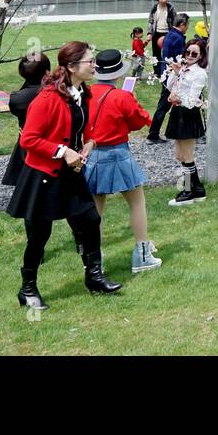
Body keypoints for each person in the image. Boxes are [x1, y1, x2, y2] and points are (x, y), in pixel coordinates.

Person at [6, 41, 121, 311]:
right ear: (71, 67)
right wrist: (63, 151)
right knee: (39, 235)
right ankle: (27, 289)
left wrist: (89, 144)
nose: (95, 66)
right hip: (42, 175)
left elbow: (84, 127)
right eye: (89, 62)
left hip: (70, 173)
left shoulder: (84, 93)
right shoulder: (46, 98)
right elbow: (30, 140)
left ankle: (94, 277)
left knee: (90, 220)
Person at [84, 49, 161, 274]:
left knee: (95, 209)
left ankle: (94, 259)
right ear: (118, 73)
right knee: (137, 202)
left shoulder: (84, 93)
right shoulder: (121, 96)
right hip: (117, 152)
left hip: (91, 154)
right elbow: (141, 120)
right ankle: (142, 254)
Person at [164, 38, 209, 206]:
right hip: (178, 112)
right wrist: (176, 73)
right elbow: (169, 87)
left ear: (201, 55)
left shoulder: (199, 73)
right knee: (179, 154)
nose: (190, 56)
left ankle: (188, 190)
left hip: (189, 114)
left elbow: (192, 100)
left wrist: (178, 99)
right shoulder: (183, 69)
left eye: (194, 53)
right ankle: (197, 189)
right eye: (187, 52)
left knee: (187, 155)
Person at [2, 52, 52, 187]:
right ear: (47, 71)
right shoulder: (56, 94)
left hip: (26, 144)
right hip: (52, 144)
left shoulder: (17, 99)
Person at [148, 12, 189, 144]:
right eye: (187, 25)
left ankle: (156, 133)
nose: (187, 27)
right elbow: (179, 58)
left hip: (165, 74)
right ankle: (154, 134)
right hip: (172, 76)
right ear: (182, 24)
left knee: (165, 105)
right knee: (167, 105)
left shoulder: (169, 35)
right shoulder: (178, 38)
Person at [147, 0, 177, 76]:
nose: (164, 0)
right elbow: (150, 21)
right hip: (157, 33)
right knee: (156, 53)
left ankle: (167, 71)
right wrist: (150, 33)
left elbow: (175, 21)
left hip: (168, 33)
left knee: (168, 53)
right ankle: (157, 72)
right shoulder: (154, 8)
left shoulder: (171, 8)